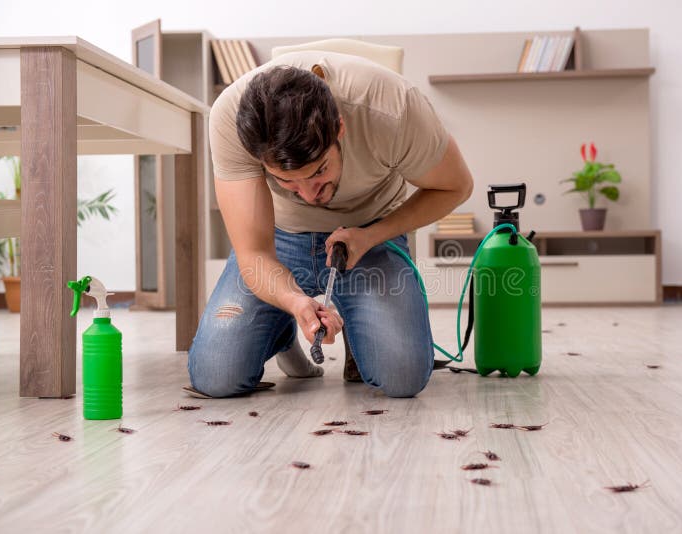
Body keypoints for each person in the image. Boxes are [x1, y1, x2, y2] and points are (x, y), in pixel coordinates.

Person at [188, 50, 473, 398]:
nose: (309, 195)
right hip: (278, 240)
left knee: (403, 376)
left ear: (340, 127)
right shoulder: (230, 119)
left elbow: (456, 186)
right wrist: (294, 302)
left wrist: (371, 236)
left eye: (319, 171)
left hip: (371, 234)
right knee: (216, 375)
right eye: (288, 181)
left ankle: (359, 327)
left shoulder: (392, 108)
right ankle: (277, 331)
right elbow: (254, 253)